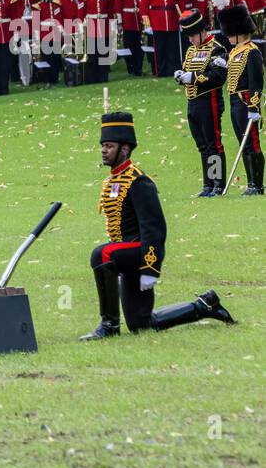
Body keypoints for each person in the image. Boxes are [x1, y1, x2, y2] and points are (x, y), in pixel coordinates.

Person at [80, 112, 235, 339]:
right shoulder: (112, 181)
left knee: (101, 254)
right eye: (103, 145)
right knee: (141, 325)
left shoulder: (139, 181)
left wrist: (150, 268)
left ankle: (109, 325)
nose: (103, 150)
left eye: (109, 146)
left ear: (124, 149)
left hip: (141, 253)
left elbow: (154, 229)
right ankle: (204, 306)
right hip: (125, 254)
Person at [174, 8, 228, 197]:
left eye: (192, 35)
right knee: (202, 145)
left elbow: (218, 76)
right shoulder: (190, 51)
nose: (190, 40)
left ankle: (218, 184)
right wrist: (180, 76)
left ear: (201, 31)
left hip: (209, 101)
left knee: (213, 144)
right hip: (192, 102)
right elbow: (186, 70)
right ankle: (207, 184)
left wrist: (193, 77)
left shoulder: (217, 48)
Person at [219, 4, 265, 195]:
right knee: (243, 143)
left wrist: (254, 107)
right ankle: (251, 182)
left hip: (247, 102)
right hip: (235, 102)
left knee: (252, 143)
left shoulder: (252, 51)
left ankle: (257, 184)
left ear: (240, 33)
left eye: (231, 34)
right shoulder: (235, 52)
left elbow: (256, 82)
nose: (228, 38)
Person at [113, 0, 146, 76]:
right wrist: (120, 23)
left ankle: (138, 68)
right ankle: (131, 68)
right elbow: (118, 8)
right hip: (128, 22)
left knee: (139, 47)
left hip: (139, 22)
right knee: (129, 47)